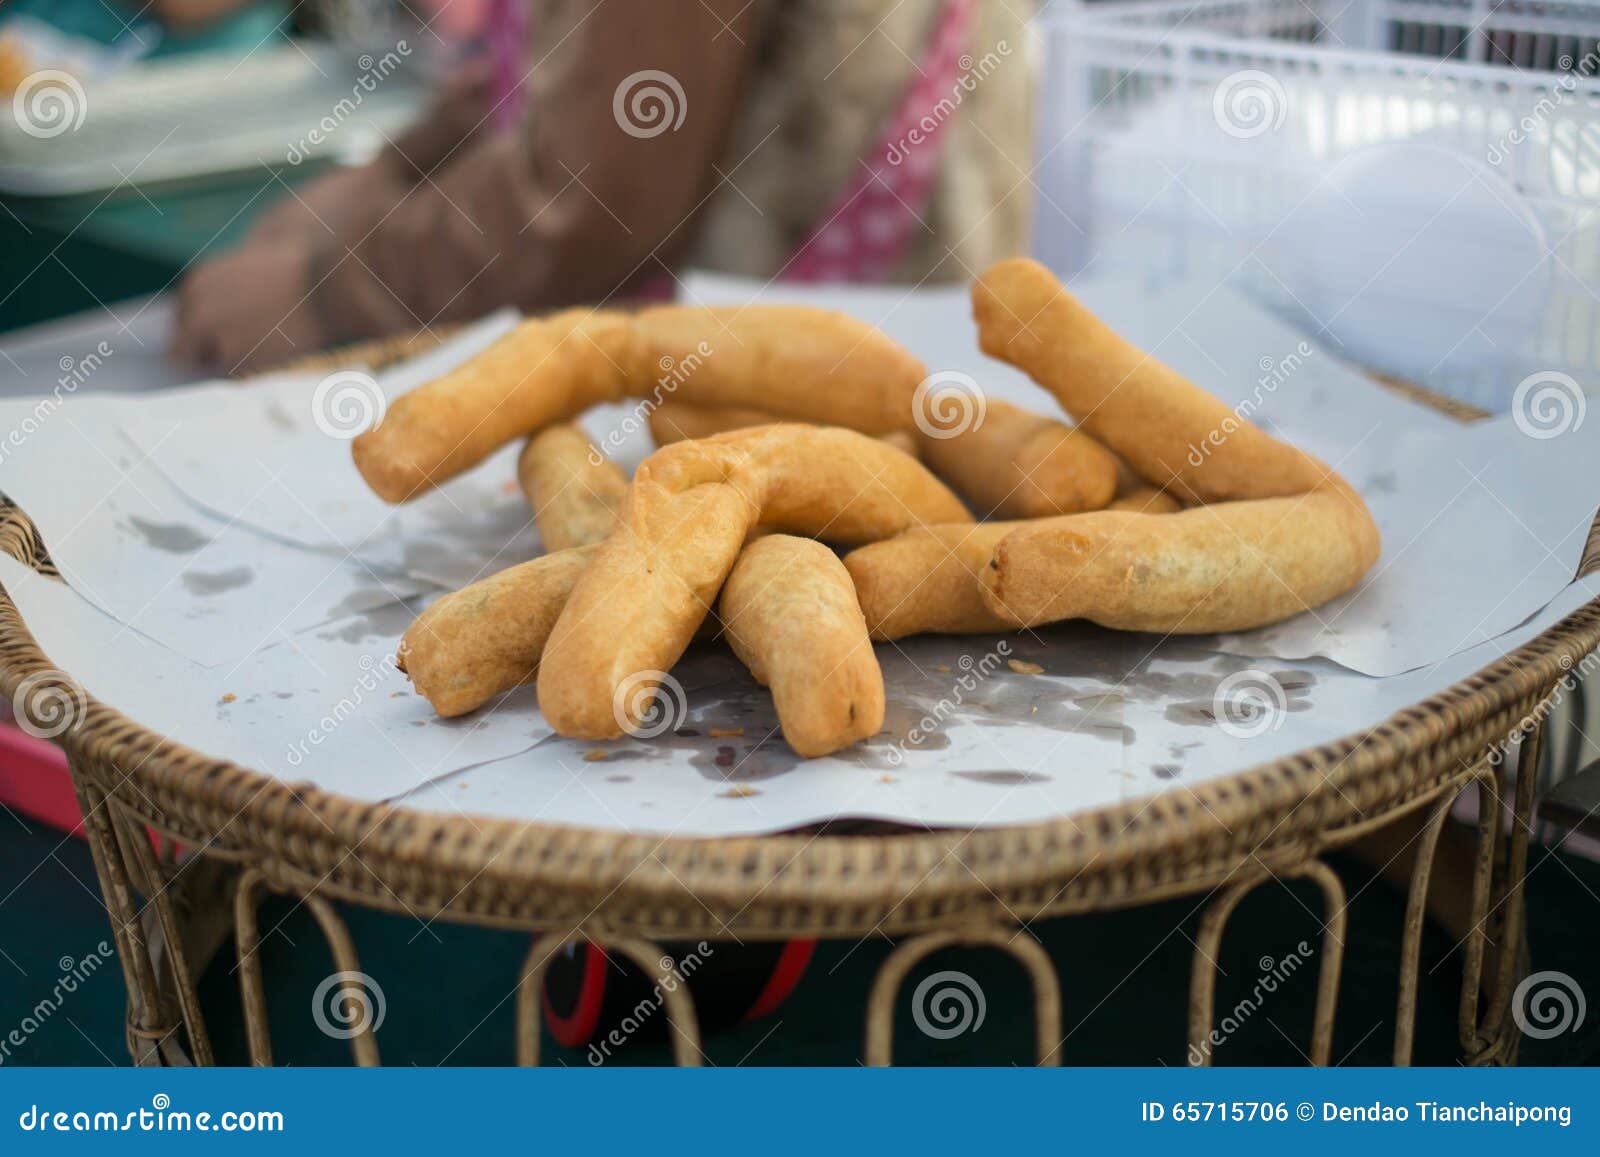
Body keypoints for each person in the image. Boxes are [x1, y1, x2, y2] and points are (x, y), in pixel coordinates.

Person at [172, 0, 1036, 371]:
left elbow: (588, 205)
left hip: (805, 351)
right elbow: (564, 72)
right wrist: (393, 172)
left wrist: (324, 292)